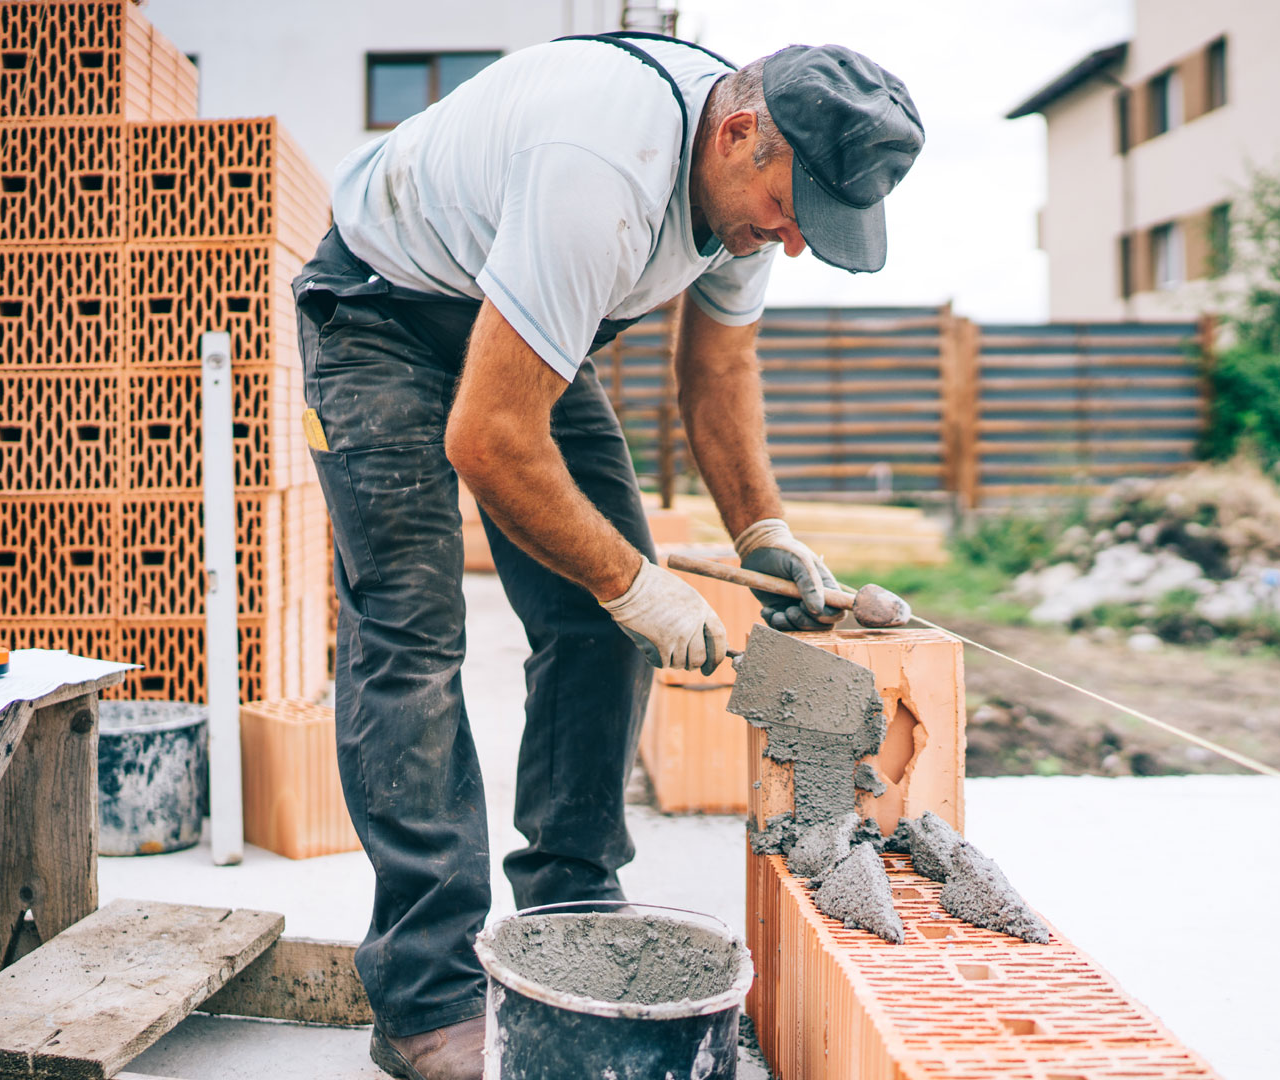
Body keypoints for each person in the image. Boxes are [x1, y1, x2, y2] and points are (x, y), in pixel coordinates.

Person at [294, 30, 922, 1080]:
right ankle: (426, 994)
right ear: (737, 136)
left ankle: (570, 911)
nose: (795, 243)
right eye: (791, 211)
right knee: (411, 635)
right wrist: (637, 579)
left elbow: (718, 372)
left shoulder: (748, 210)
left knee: (598, 626)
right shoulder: (603, 171)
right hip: (381, 307)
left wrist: (762, 534)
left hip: (532, 313)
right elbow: (488, 437)